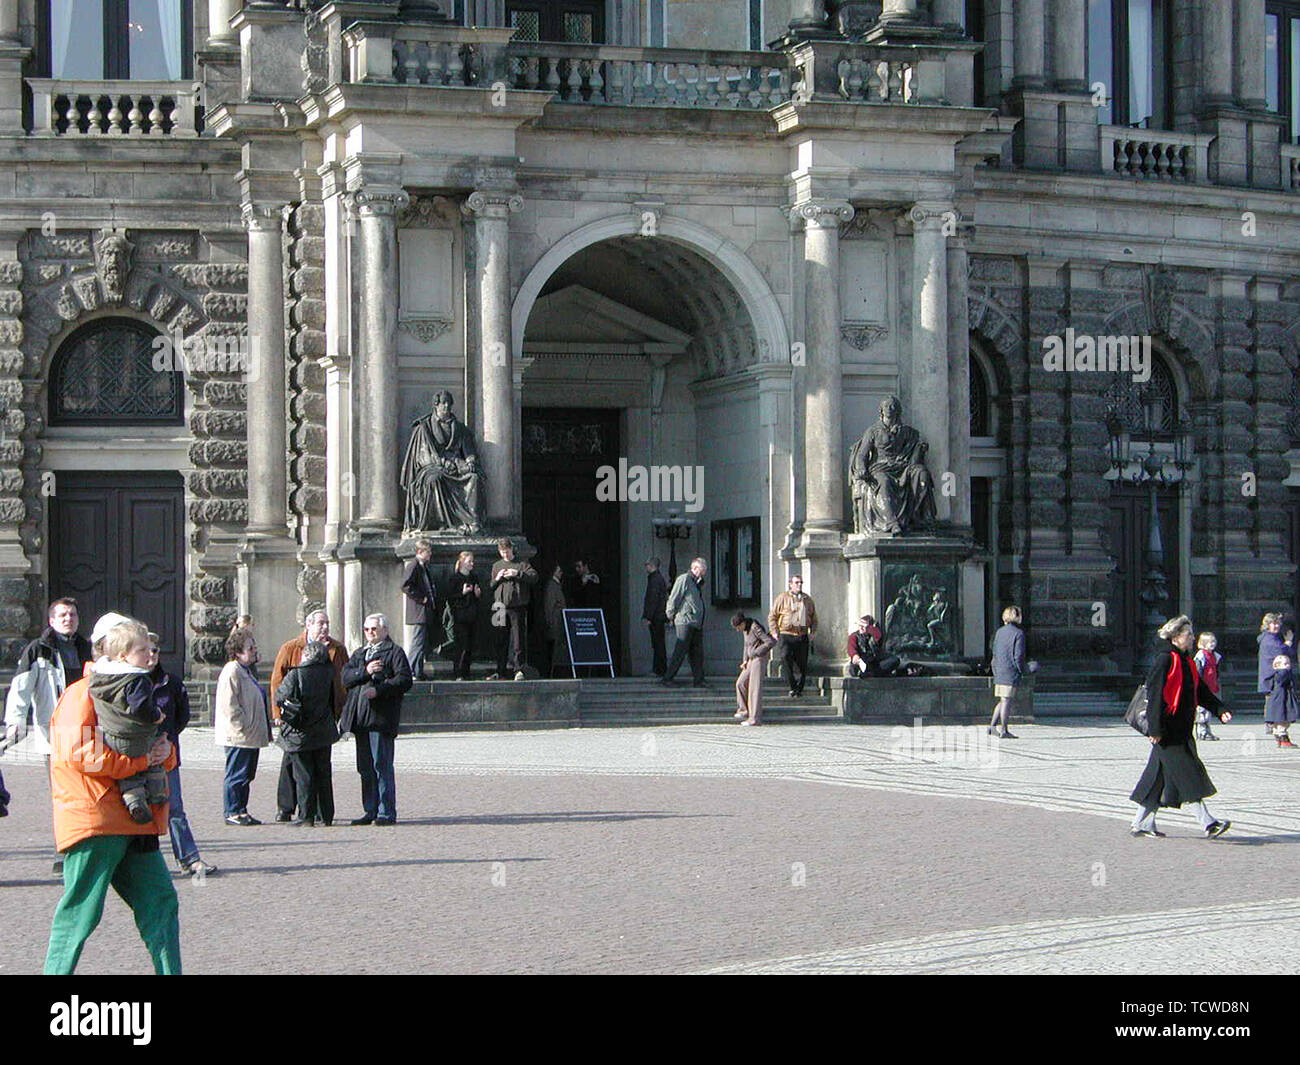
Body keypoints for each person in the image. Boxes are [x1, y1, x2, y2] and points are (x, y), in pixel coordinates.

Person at [43, 612, 181, 975]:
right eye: (141, 648)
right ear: (115, 652)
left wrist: (165, 754)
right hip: (97, 820)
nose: (150, 655)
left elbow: (158, 747)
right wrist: (141, 761)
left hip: (135, 820)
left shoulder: (139, 692)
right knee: (80, 914)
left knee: (161, 903)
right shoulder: (81, 693)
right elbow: (79, 753)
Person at [3, 598, 93, 856]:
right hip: (55, 734)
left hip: (88, 731)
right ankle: (64, 850)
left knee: (91, 790)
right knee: (63, 793)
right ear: (51, 621)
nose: (68, 619)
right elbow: (21, 688)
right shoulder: (38, 650)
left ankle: (89, 844)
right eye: (62, 615)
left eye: (72, 615)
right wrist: (15, 722)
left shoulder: (88, 649)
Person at [1130, 615, 1233, 838]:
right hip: (1167, 732)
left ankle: (1141, 823)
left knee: (1157, 778)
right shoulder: (1165, 660)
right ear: (1176, 637)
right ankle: (1209, 823)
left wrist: (1219, 709)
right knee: (1188, 774)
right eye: (1188, 634)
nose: (1193, 637)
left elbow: (1200, 690)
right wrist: (1155, 729)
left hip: (1181, 729)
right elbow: (1155, 695)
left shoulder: (1186, 661)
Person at [147, 631, 215, 877]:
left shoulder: (172, 683)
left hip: (167, 756)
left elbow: (182, 716)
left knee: (175, 808)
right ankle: (144, 865)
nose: (151, 655)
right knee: (140, 810)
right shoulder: (131, 683)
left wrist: (167, 737)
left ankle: (189, 858)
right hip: (137, 757)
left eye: (155, 650)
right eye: (145, 650)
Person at [269, 610, 348, 822]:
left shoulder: (337, 649)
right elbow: (277, 682)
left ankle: (319, 812)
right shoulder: (291, 648)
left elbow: (343, 682)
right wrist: (278, 714)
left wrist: (340, 711)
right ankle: (286, 808)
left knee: (320, 767)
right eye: (320, 623)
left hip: (324, 717)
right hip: (296, 721)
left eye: (327, 623)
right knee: (291, 764)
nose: (325, 628)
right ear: (308, 625)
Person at [86, 618, 167, 823]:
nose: (149, 654)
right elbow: (88, 757)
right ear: (121, 655)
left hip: (112, 737)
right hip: (101, 815)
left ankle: (134, 799)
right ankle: (157, 795)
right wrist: (156, 716)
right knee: (153, 764)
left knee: (130, 778)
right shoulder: (136, 678)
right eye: (142, 650)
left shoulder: (99, 680)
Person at [341, 615, 412, 825]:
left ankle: (385, 811)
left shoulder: (394, 652)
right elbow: (345, 677)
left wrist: (380, 690)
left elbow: (404, 679)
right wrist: (365, 671)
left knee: (381, 765)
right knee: (365, 767)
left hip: (380, 719)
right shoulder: (360, 653)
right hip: (360, 719)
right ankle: (370, 809)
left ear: (384, 630)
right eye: (366, 629)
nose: (370, 632)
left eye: (374, 629)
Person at [274, 641, 340, 827]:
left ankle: (306, 816)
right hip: (324, 732)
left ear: (307, 655)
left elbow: (280, 696)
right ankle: (326, 815)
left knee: (303, 775)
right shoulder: (328, 673)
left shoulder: (296, 674)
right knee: (323, 774)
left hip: (300, 733)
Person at [399, 390, 483, 534]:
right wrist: (443, 463)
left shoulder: (460, 428)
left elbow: (469, 451)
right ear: (436, 405)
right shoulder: (424, 428)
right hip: (431, 468)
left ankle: (471, 522)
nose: (446, 406)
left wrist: (470, 462)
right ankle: (443, 523)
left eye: (449, 403)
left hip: (456, 469)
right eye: (443, 403)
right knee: (435, 479)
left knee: (474, 478)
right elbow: (423, 456)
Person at [214, 629, 270, 826]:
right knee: (237, 774)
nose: (254, 650)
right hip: (239, 736)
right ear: (237, 652)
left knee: (246, 775)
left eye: (254, 646)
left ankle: (241, 810)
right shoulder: (232, 671)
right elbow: (229, 705)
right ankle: (232, 811)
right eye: (250, 648)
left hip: (250, 735)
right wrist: (243, 725)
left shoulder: (246, 670)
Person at [488, 538, 537, 681]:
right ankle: (500, 670)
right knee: (500, 639)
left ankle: (518, 669)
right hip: (499, 607)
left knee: (518, 640)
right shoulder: (496, 565)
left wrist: (517, 574)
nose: (505, 555)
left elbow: (534, 577)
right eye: (503, 552)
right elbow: (491, 585)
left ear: (512, 549)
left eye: (507, 552)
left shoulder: (521, 564)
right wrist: (497, 578)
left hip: (517, 606)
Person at [768, 575, 818, 698]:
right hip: (786, 634)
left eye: (801, 582)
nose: (799, 585)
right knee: (785, 657)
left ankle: (799, 689)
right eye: (796, 582)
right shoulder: (782, 598)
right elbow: (772, 616)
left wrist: (813, 632)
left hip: (802, 634)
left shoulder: (807, 599)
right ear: (790, 584)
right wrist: (774, 631)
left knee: (802, 664)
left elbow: (814, 618)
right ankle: (792, 686)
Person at [662, 557, 708, 688]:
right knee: (680, 650)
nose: (704, 573)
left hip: (696, 622)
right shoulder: (684, 579)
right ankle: (668, 677)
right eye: (702, 570)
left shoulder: (696, 583)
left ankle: (699, 680)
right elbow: (674, 598)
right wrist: (670, 615)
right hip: (685, 621)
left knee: (697, 653)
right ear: (695, 568)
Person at [989, 605, 1030, 739]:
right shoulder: (1019, 633)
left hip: (999, 669)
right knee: (1006, 700)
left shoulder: (999, 632)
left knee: (1003, 699)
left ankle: (992, 727)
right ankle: (1004, 730)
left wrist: (995, 669)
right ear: (1017, 616)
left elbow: (995, 652)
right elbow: (1018, 656)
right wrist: (1023, 670)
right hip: (1010, 671)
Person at [402, 539, 441, 680]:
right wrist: (421, 598)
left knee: (422, 643)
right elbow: (405, 586)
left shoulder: (423, 566)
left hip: (425, 611)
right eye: (427, 552)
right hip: (418, 611)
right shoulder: (414, 565)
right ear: (419, 552)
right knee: (417, 643)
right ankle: (410, 671)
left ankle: (417, 671)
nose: (430, 554)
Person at [732, 612, 777, 726]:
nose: (737, 630)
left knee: (754, 689)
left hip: (758, 659)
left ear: (743, 623)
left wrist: (757, 652)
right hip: (750, 660)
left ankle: (754, 718)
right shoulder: (745, 630)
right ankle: (743, 710)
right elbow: (746, 645)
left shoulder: (754, 627)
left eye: (738, 627)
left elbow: (769, 642)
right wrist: (745, 660)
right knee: (740, 683)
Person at [1257, 612, 1295, 748]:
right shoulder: (1269, 640)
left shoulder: (1271, 638)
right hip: (1275, 680)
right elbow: (1282, 652)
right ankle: (1281, 736)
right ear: (1267, 625)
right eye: (1273, 623)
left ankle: (1279, 734)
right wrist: (1288, 642)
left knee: (1278, 708)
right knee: (1280, 709)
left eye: (1278, 623)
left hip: (1275, 680)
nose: (1276, 626)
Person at [446, 551, 483, 680]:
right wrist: (462, 592)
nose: (472, 564)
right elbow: (449, 597)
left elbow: (478, 596)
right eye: (469, 561)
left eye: (472, 561)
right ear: (462, 562)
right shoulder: (455, 578)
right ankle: (459, 672)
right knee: (461, 645)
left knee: (470, 645)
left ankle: (466, 672)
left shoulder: (474, 577)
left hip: (472, 614)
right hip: (460, 615)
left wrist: (477, 594)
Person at [642, 557, 669, 677]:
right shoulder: (658, 579)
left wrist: (648, 616)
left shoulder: (655, 580)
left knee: (657, 643)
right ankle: (660, 668)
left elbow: (652, 600)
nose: (646, 567)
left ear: (652, 565)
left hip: (656, 617)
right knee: (658, 642)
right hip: (659, 615)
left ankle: (659, 669)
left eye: (647, 564)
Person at [1193, 631, 1222, 742]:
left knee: (1208, 711)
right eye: (1210, 642)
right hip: (1203, 687)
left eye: (1213, 641)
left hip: (1211, 687)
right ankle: (1202, 732)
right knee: (1201, 711)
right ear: (1203, 643)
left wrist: (1216, 684)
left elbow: (1216, 672)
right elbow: (1198, 672)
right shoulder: (1201, 656)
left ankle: (1207, 731)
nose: (1212, 644)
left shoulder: (1215, 656)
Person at [542, 563, 568, 678]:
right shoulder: (552, 586)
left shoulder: (556, 585)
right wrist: (550, 622)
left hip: (558, 622)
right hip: (555, 622)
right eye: (559, 571)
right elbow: (550, 605)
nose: (561, 573)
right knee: (554, 648)